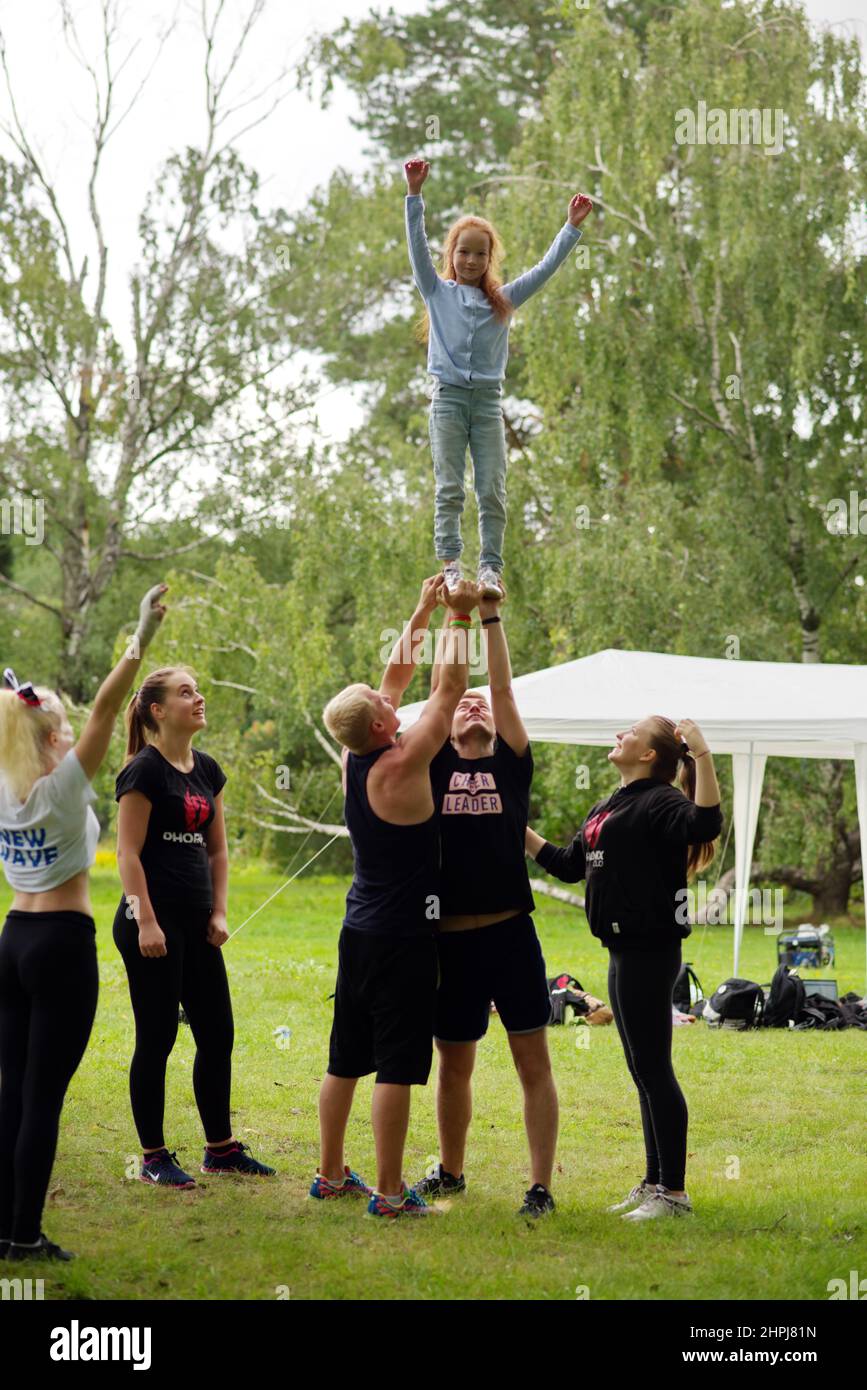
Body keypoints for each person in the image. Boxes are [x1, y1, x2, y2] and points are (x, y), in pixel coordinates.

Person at [0, 583, 167, 1261]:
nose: (75, 731)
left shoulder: (4, 787)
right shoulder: (64, 784)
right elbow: (106, 706)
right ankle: (26, 1236)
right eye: (62, 726)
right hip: (62, 944)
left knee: (11, 1091)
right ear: (51, 736)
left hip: (11, 940)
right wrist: (141, 636)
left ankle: (4, 1230)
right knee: (42, 1099)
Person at [313, 575, 478, 1217]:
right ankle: (388, 1192)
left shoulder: (357, 754)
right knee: (398, 1068)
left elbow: (397, 678)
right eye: (380, 702)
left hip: (359, 928)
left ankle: (330, 1174)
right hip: (403, 934)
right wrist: (459, 620)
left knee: (344, 1058)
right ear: (382, 722)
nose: (387, 698)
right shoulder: (403, 762)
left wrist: (422, 610)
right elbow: (449, 689)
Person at [526, 716, 722, 1221]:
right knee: (642, 1071)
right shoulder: (610, 805)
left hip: (649, 949)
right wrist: (516, 827)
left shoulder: (660, 801)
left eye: (629, 732)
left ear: (650, 755)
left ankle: (674, 1195)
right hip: (620, 950)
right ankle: (655, 1181)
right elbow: (570, 864)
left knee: (654, 1069)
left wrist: (701, 754)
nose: (618, 735)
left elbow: (705, 824)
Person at [413, 587, 558, 1217]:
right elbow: (448, 681)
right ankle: (451, 1170)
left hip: (509, 934)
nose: (473, 704)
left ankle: (540, 1186)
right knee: (453, 1065)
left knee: (532, 1060)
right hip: (449, 939)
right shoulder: (432, 765)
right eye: (462, 703)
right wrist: (450, 617)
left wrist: (492, 613)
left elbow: (499, 687)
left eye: (483, 706)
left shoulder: (514, 766)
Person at [113, 666, 274, 1188]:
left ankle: (220, 1149)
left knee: (217, 1033)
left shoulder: (207, 768)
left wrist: (220, 912)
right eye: (186, 692)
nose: (199, 697)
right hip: (151, 926)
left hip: (198, 923)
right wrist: (147, 922)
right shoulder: (144, 770)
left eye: (198, 689)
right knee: (157, 1037)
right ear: (157, 711)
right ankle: (153, 1156)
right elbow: (127, 853)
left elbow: (218, 850)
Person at [404, 156, 592, 598]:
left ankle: (490, 568)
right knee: (450, 486)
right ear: (452, 255)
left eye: (479, 253)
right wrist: (414, 195)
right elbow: (416, 248)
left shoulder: (503, 300)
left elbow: (544, 271)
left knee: (491, 486)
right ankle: (451, 563)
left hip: (487, 404)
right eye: (463, 251)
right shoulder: (436, 291)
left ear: (490, 259)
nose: (470, 259)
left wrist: (571, 227)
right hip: (448, 401)